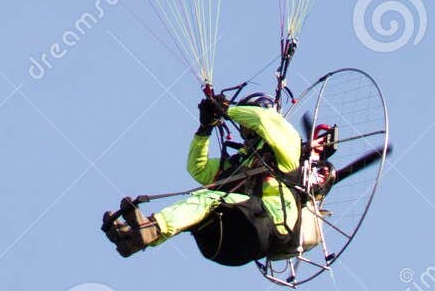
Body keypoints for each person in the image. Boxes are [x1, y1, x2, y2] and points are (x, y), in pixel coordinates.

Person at [102, 93, 327, 265]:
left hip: (265, 226)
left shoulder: (288, 153)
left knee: (205, 199)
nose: (243, 129)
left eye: (245, 123)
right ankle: (136, 238)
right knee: (200, 202)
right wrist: (205, 129)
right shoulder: (237, 164)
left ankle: (151, 228)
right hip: (225, 242)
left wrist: (229, 109)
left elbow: (266, 121)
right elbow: (197, 169)